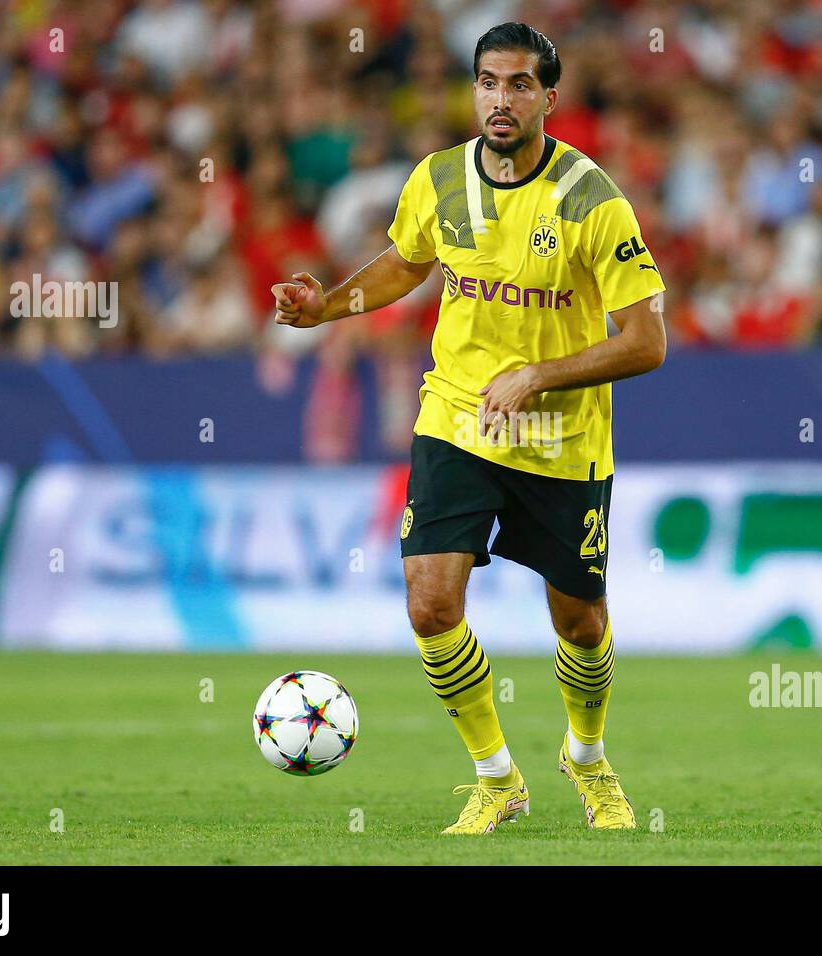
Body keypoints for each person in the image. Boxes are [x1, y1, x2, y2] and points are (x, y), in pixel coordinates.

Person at [272, 22, 666, 834]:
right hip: (456, 415)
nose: (501, 98)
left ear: (550, 98)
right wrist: (331, 305)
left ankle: (586, 758)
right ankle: (496, 779)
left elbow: (646, 341)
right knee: (429, 605)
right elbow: (408, 260)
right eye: (488, 81)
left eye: (520, 84)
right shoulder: (438, 179)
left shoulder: (593, 200)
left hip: (562, 441)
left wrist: (537, 375)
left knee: (580, 622)